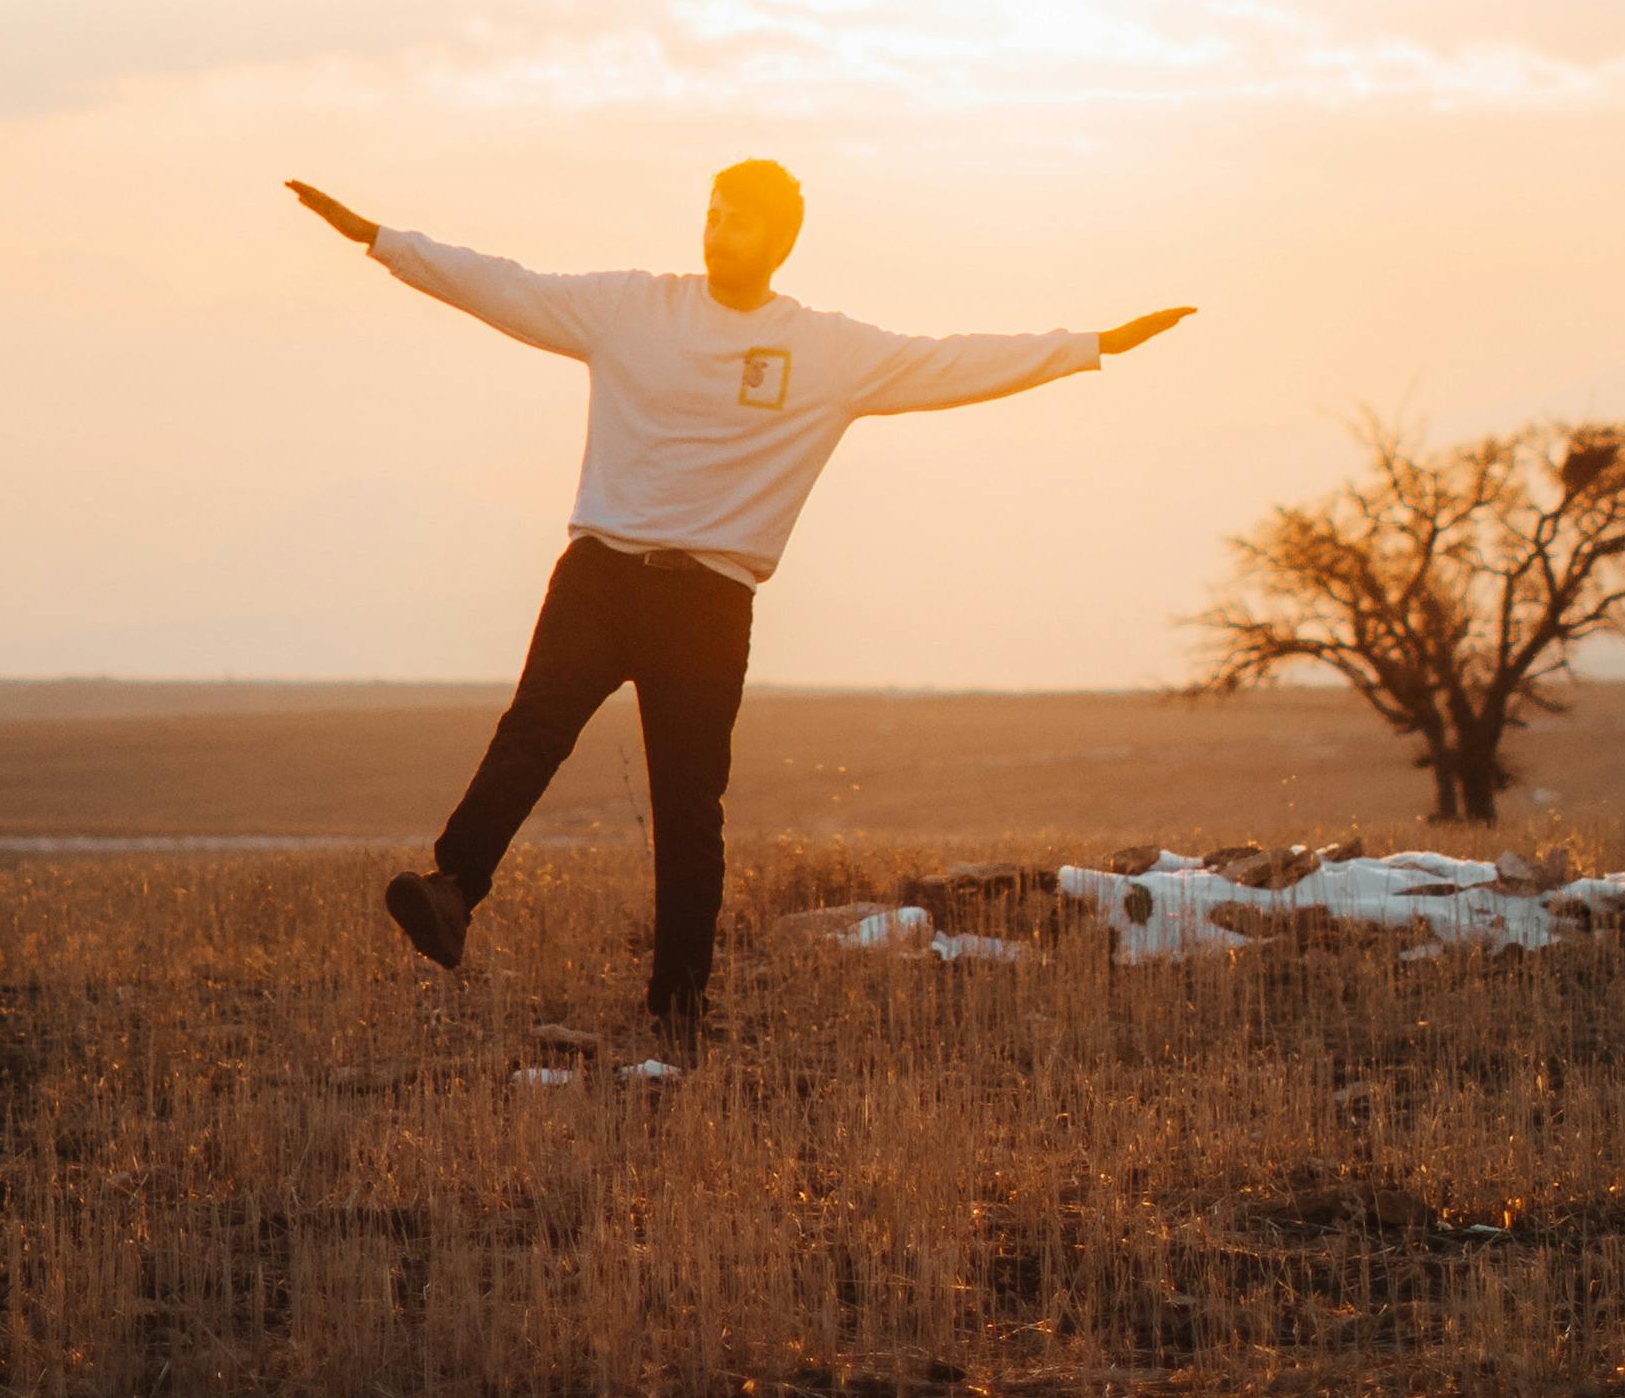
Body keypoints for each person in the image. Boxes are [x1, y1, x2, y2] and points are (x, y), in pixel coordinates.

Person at [286, 158, 1188, 1062]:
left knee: (689, 804)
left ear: (780, 241)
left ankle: (677, 1006)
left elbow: (952, 362)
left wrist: (1092, 344)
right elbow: (505, 286)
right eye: (713, 216)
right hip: (600, 570)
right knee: (531, 732)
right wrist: (380, 239)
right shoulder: (633, 307)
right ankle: (453, 890)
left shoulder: (828, 351)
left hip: (709, 600)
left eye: (741, 223)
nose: (720, 234)